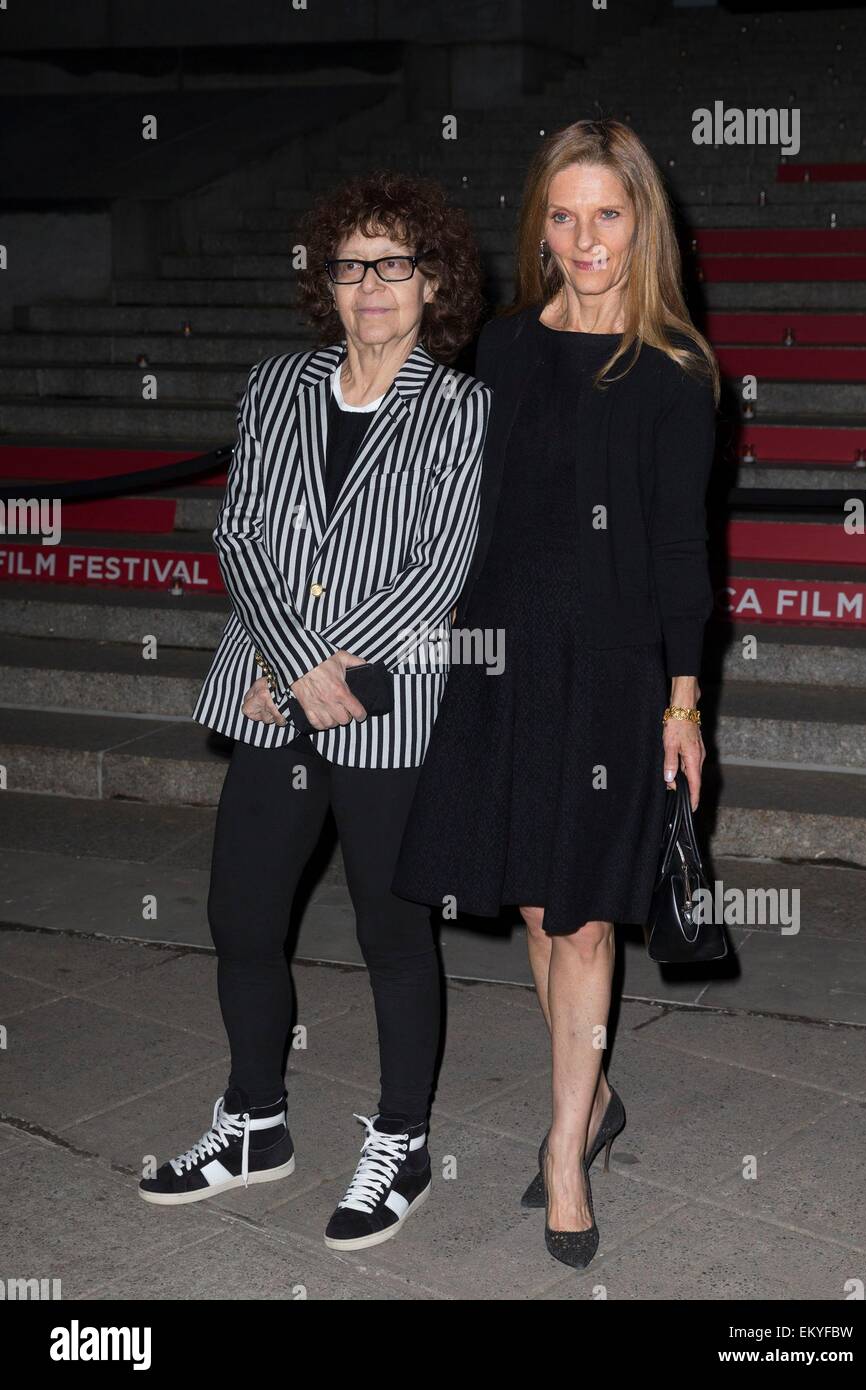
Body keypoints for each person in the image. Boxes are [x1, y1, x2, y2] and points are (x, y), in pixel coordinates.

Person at [138, 171, 490, 1254]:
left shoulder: (463, 407)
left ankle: (402, 1139)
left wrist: (319, 671)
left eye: (395, 264)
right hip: (276, 692)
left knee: (391, 926)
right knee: (241, 914)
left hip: (386, 700)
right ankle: (254, 1124)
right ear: (326, 283)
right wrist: (296, 666)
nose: (371, 285)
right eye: (351, 265)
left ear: (432, 282)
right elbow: (241, 535)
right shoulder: (279, 384)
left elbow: (441, 570)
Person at [392, 119, 719, 1267]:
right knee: (536, 906)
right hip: (502, 655)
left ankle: (567, 1149)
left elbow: (684, 550)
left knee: (582, 913)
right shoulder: (507, 349)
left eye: (609, 214)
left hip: (615, 669)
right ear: (543, 223)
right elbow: (467, 509)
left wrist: (684, 705)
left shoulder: (676, 372)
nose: (585, 239)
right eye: (564, 215)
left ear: (643, 221)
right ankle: (597, 1092)